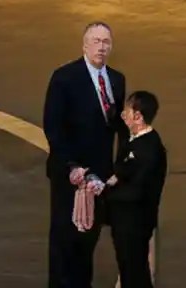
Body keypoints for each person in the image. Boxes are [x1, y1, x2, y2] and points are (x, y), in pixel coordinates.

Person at [43, 22, 128, 288]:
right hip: (70, 174)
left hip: (99, 174)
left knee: (88, 236)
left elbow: (118, 127)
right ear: (84, 45)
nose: (101, 47)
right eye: (96, 41)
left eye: (106, 42)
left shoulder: (116, 79)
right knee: (65, 237)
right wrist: (72, 167)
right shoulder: (64, 78)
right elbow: (53, 127)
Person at [105, 91, 167, 288]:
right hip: (130, 221)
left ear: (138, 116)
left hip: (133, 222)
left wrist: (105, 191)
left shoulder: (147, 149)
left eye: (127, 111)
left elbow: (136, 190)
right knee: (132, 270)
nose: (124, 115)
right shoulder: (139, 142)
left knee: (133, 272)